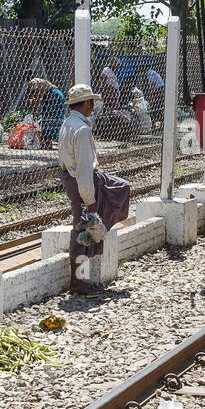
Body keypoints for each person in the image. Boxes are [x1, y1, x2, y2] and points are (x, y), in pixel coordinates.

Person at [59, 85, 131, 296]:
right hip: (81, 182)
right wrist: (89, 199)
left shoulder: (69, 123)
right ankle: (78, 281)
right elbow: (82, 169)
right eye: (92, 102)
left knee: (121, 188)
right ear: (88, 103)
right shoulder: (81, 130)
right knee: (82, 230)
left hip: (76, 178)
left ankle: (99, 231)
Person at [28, 78, 66, 148]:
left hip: (54, 96)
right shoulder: (37, 82)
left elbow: (39, 96)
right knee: (53, 116)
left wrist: (35, 111)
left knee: (49, 116)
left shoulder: (35, 83)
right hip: (57, 94)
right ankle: (51, 140)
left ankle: (48, 141)